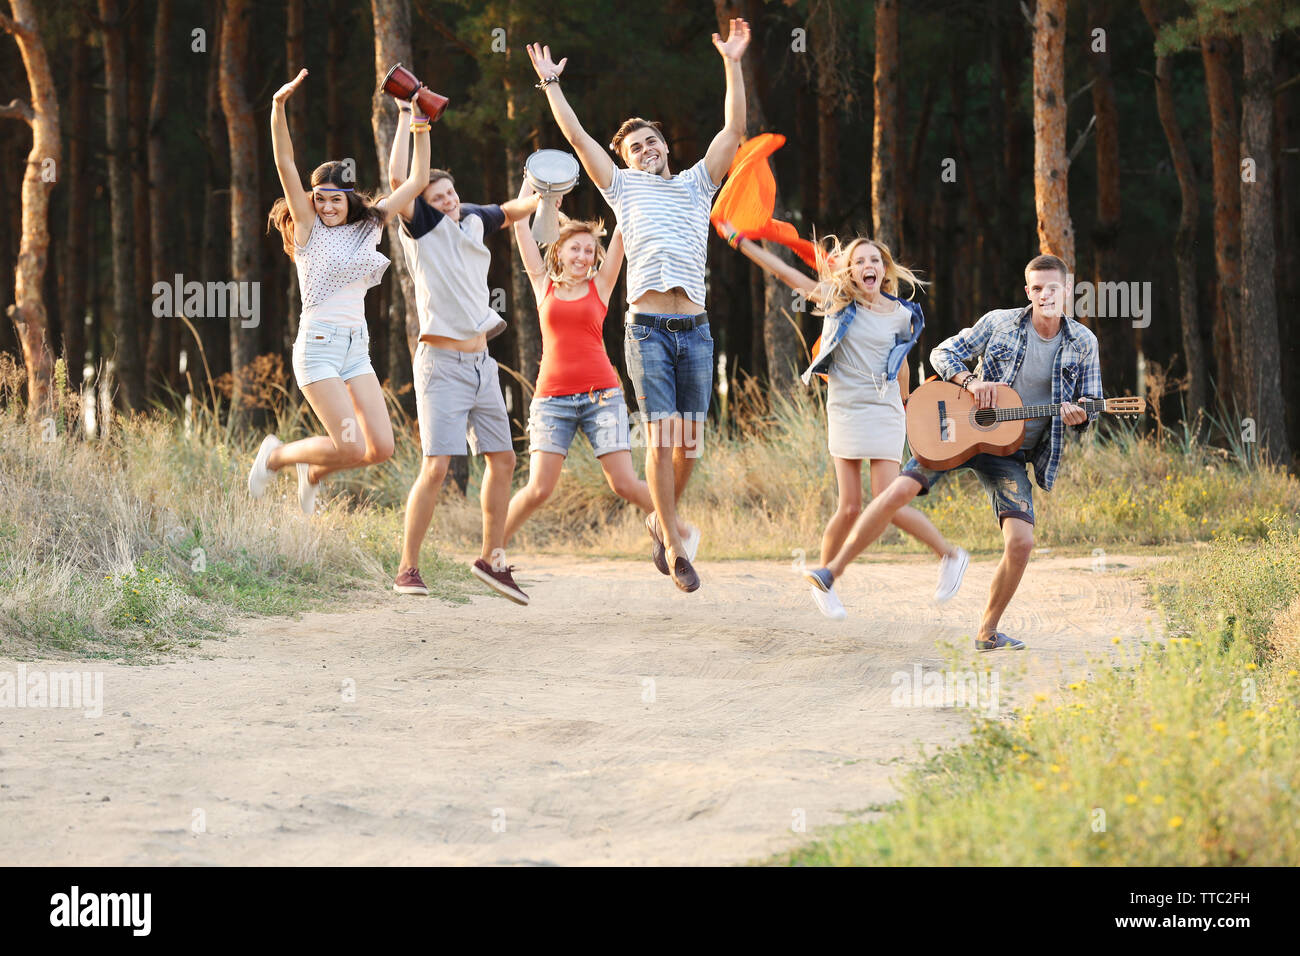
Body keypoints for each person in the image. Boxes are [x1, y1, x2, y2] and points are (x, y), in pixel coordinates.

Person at [525, 18, 752, 593]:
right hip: (647, 329)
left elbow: (734, 129)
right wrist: (552, 85)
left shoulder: (698, 184)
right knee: (659, 438)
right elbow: (578, 140)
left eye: (651, 141)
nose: (645, 149)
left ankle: (662, 519)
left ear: (665, 147)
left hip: (695, 329)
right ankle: (676, 549)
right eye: (634, 146)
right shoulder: (622, 188)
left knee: (690, 442)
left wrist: (732, 62)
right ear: (624, 159)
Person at [803, 254, 1103, 651]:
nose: (1045, 295)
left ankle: (988, 632)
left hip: (1010, 453)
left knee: (1022, 542)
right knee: (894, 493)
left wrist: (1079, 415)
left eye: (1053, 288)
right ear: (1027, 291)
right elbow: (942, 353)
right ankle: (830, 572)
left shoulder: (1083, 342)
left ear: (1068, 289)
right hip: (957, 431)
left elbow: (1092, 405)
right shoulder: (999, 322)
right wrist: (970, 380)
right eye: (1037, 288)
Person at [716, 227, 969, 619]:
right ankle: (826, 581)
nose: (867, 266)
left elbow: (900, 363)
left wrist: (905, 408)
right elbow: (788, 275)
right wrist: (741, 243)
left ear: (885, 269)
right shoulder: (837, 302)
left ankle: (950, 555)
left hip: (885, 410)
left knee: (889, 500)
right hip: (846, 408)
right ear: (849, 272)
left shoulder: (903, 313)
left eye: (873, 260)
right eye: (858, 261)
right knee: (849, 506)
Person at [250, 68, 429, 515]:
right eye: (320, 198)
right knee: (348, 446)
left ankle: (312, 473)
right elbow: (284, 164)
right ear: (311, 200)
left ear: (350, 198)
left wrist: (417, 122)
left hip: (356, 348)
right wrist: (277, 107)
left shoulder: (369, 226)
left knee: (380, 449)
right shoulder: (309, 230)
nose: (327, 206)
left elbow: (417, 180)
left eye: (336, 198)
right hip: (319, 347)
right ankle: (275, 456)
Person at [386, 101, 542, 605]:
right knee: (437, 465)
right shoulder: (422, 228)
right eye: (437, 196)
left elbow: (515, 210)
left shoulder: (472, 217)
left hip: (482, 365)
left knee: (504, 458)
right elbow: (396, 177)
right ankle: (408, 568)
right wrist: (412, 120)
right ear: (423, 202)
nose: (448, 201)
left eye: (451, 192)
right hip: (441, 366)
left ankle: (491, 560)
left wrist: (542, 186)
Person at [503, 185, 693, 550]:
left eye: (589, 250)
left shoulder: (600, 286)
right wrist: (534, 188)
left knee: (623, 483)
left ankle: (678, 532)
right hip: (551, 400)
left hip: (601, 397)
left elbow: (622, 228)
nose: (583, 255)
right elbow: (520, 227)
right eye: (575, 247)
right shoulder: (542, 283)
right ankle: (490, 553)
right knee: (539, 488)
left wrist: (634, 183)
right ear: (559, 249)